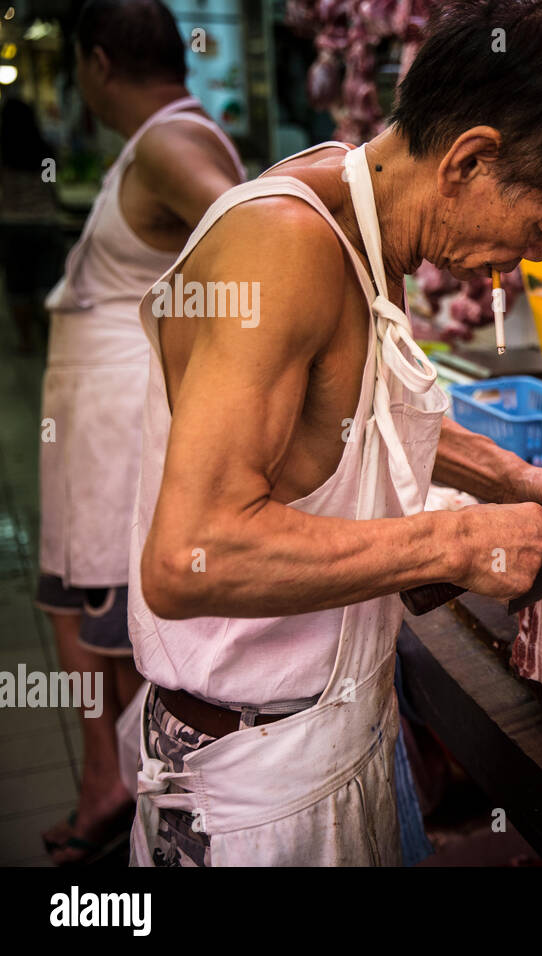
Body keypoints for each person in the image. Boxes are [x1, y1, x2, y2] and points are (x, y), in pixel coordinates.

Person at [128, 0, 542, 866]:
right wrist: (451, 543)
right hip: (255, 790)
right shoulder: (285, 244)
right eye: (541, 226)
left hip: (342, 733)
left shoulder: (370, 213)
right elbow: (192, 554)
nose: (530, 259)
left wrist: (514, 479)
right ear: (472, 159)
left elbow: (341, 414)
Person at [35, 0, 243, 864]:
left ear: (96, 63)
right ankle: (107, 785)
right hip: (95, 434)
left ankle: (137, 802)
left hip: (126, 436)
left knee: (122, 632)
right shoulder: (158, 139)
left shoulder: (169, 144)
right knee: (76, 611)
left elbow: (258, 230)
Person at [0, 98, 61, 353]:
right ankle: (51, 339)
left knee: (18, 287)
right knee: (47, 284)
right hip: (45, 223)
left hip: (12, 226)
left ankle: (26, 341)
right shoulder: (45, 151)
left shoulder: (2, 153)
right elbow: (51, 185)